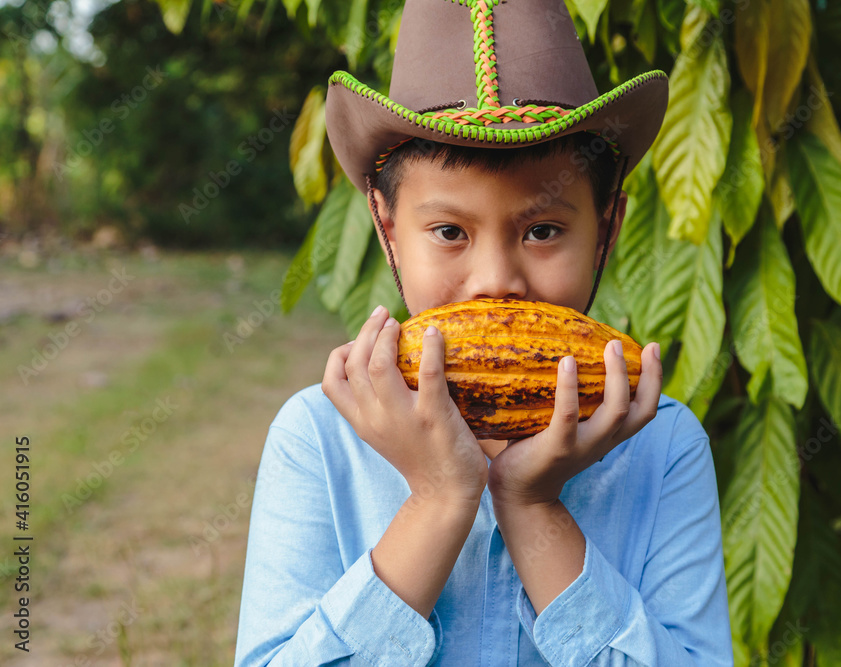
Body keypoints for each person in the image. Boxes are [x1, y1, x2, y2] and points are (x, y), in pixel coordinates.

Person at [235, 0, 733, 664]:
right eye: (450, 233)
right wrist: (440, 500)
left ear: (607, 229)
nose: (496, 279)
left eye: (543, 230)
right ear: (388, 229)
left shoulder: (663, 446)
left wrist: (532, 505)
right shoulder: (317, 440)